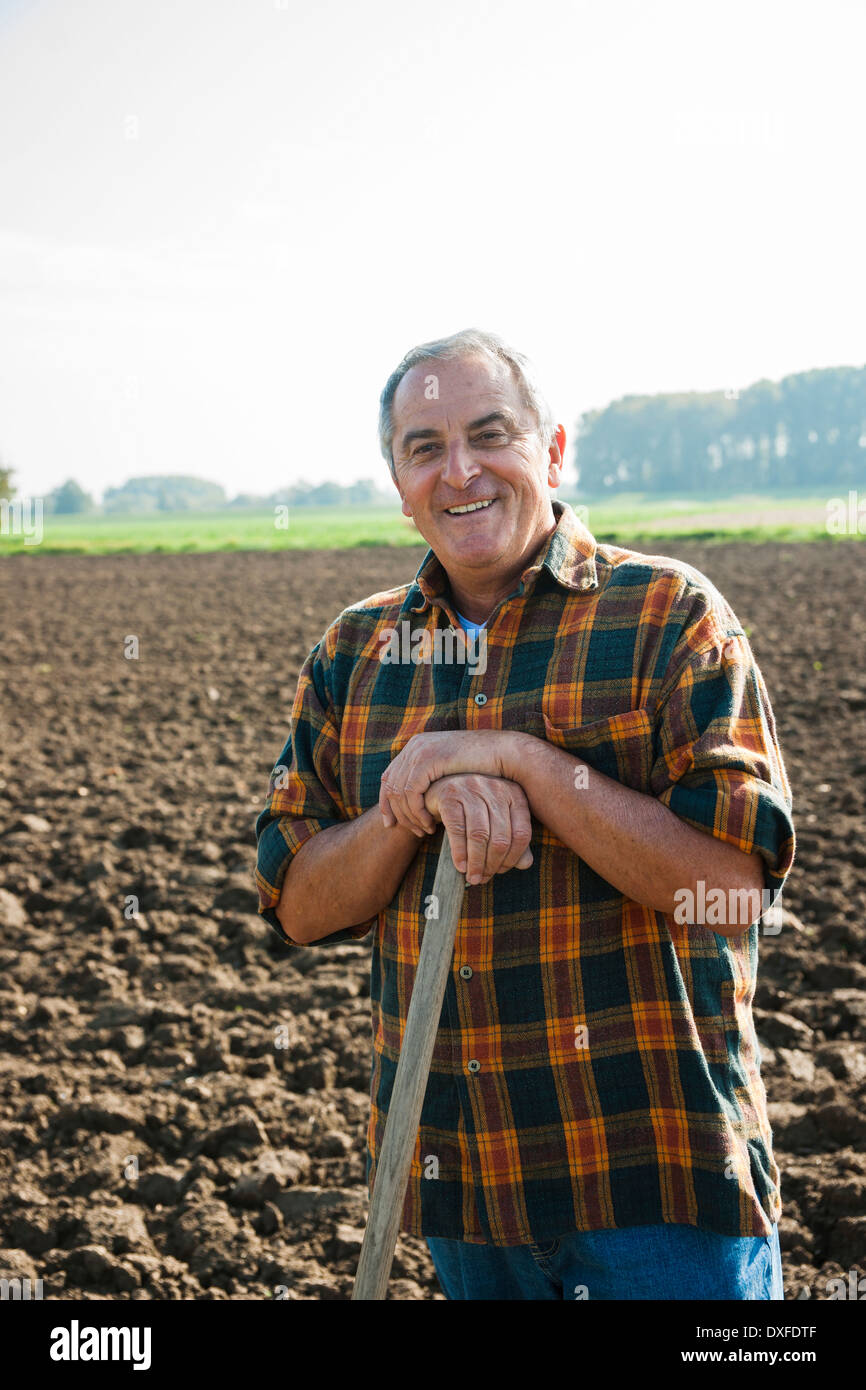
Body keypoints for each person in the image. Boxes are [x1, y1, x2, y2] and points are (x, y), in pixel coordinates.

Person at [255, 328, 795, 1300]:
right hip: (462, 1198)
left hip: (658, 1200)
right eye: (423, 446)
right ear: (397, 477)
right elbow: (296, 903)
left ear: (550, 449)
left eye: (488, 434)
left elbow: (730, 893)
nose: (458, 470)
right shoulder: (355, 652)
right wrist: (406, 805)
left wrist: (525, 765)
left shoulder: (671, 617)